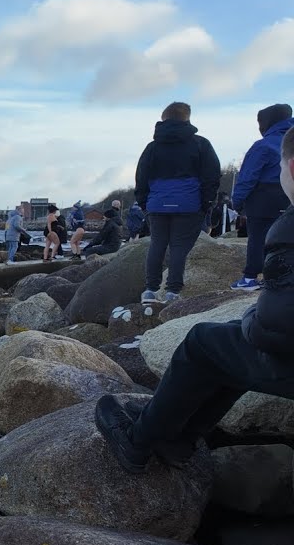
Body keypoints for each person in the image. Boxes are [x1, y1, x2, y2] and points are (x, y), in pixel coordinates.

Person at [95, 127, 294, 475]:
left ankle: (138, 440)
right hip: (187, 206)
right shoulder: (200, 147)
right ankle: (177, 438)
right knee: (228, 344)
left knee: (203, 342)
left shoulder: (289, 230)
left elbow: (276, 329)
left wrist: (251, 320)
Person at [135, 101, 222, 304]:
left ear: (163, 119)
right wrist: (206, 202)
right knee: (179, 248)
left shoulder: (152, 147)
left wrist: (144, 204)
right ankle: (173, 292)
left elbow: (141, 177)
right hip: (189, 205)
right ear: (188, 118)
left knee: (157, 245)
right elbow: (212, 176)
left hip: (157, 204)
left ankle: (150, 290)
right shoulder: (201, 144)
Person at [230, 103, 294, 290]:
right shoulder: (289, 141)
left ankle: (250, 278)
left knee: (258, 237)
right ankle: (282, 274)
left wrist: (237, 201)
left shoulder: (262, 145)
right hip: (288, 195)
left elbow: (248, 176)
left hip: (264, 196)